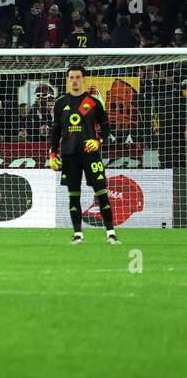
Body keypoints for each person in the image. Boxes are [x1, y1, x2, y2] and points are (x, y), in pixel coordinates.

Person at [49, 64, 118, 245]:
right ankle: (78, 234)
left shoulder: (94, 102)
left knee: (102, 192)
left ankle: (111, 233)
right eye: (71, 77)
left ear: (84, 79)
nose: (74, 80)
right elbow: (55, 131)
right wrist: (52, 154)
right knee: (74, 195)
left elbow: (105, 127)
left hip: (90, 155)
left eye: (78, 77)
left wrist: (98, 142)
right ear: (68, 80)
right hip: (69, 155)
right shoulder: (60, 103)